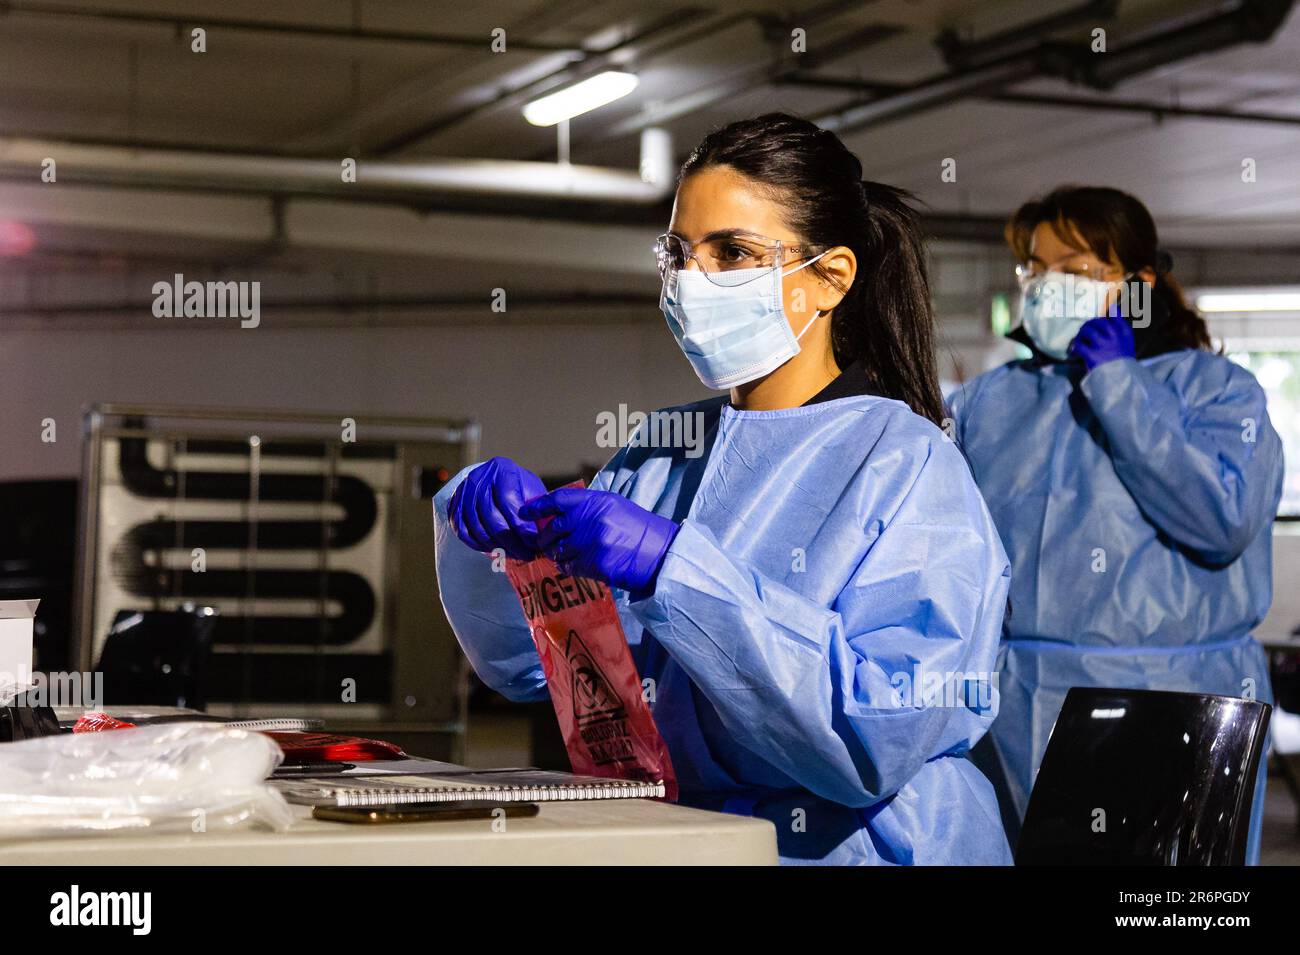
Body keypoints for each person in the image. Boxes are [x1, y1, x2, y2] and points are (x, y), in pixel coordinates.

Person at [433, 113, 1012, 865]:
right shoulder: (662, 450)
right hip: (683, 841)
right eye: (678, 252)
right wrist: (494, 546)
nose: (692, 280)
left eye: (732, 253)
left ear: (830, 278)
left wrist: (678, 573)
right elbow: (533, 673)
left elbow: (877, 736)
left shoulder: (906, 464)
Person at [948, 186, 1283, 862]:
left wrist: (1118, 388)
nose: (1047, 286)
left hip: (1177, 707)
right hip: (1013, 707)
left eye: (1075, 270)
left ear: (1140, 282)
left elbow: (1222, 520)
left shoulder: (1215, 390)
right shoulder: (988, 401)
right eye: (1036, 269)